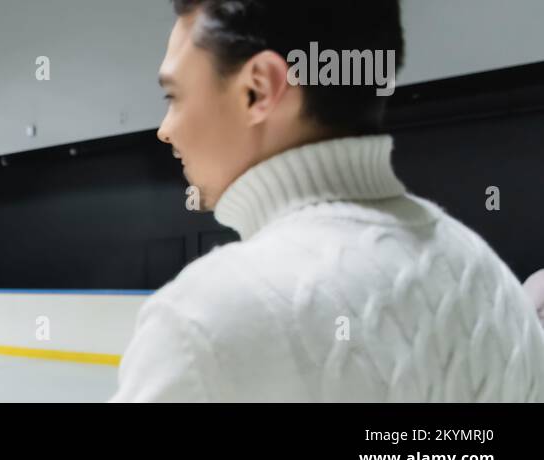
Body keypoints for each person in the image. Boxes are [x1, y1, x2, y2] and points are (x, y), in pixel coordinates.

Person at [112, 0, 544, 402]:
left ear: (258, 90)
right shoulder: (493, 285)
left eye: (174, 97)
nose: (165, 130)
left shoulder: (199, 326)